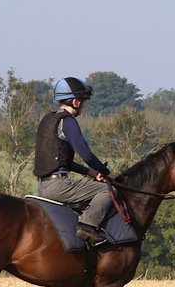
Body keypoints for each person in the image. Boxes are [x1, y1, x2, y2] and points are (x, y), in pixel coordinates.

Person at [34, 76, 117, 246]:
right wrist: (108, 174)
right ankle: (87, 226)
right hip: (59, 186)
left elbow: (64, 162)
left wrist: (90, 172)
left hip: (42, 186)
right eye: (83, 102)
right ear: (75, 101)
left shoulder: (48, 120)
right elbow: (87, 155)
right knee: (109, 191)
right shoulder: (67, 122)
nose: (83, 106)